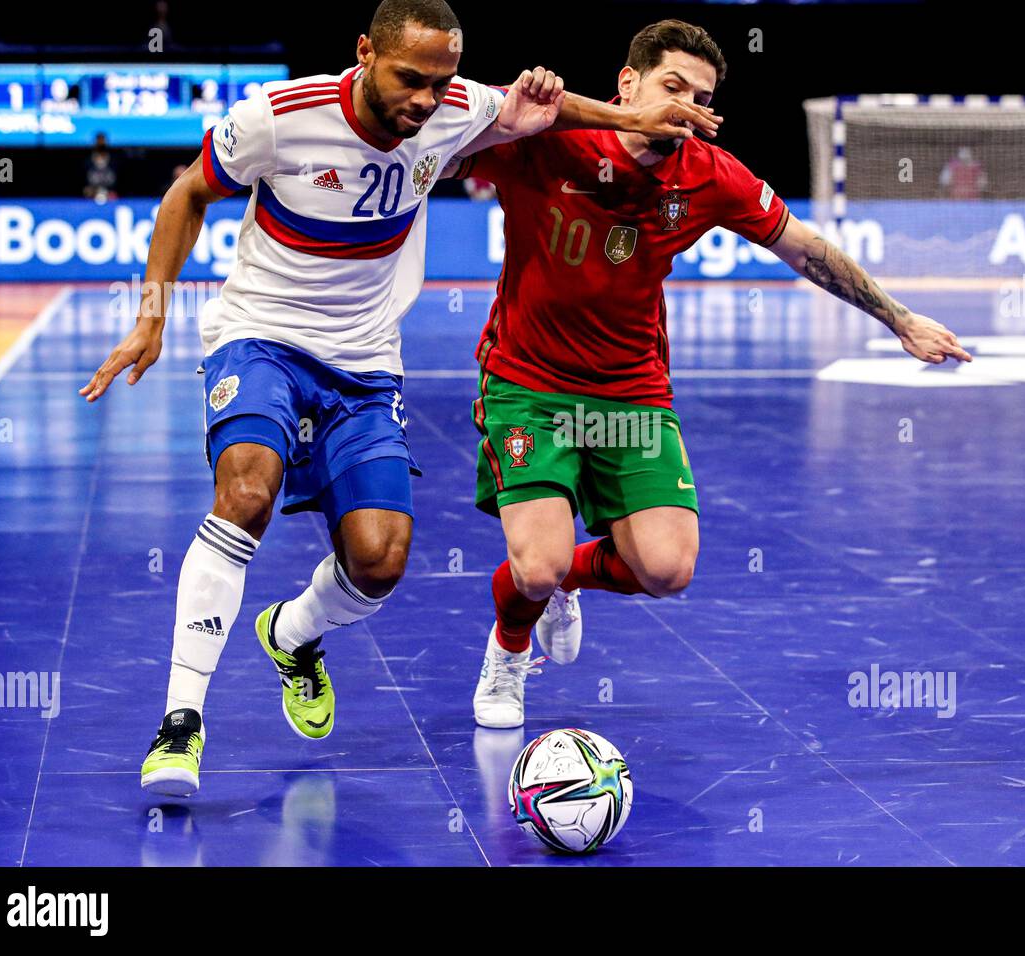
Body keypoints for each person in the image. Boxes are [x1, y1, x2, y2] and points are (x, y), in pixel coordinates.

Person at [79, 0, 720, 797]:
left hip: (365, 363)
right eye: (409, 79)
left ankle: (293, 634)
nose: (424, 99)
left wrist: (637, 111)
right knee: (246, 491)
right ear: (364, 54)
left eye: (441, 82)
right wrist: (151, 318)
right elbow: (187, 195)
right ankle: (180, 726)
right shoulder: (278, 117)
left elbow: (548, 111)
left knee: (378, 562)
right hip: (260, 335)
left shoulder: (454, 110)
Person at [449, 19, 972, 728]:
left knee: (665, 570)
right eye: (673, 87)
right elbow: (433, 140)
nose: (688, 108)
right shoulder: (546, 138)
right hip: (529, 386)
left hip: (630, 392)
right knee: (531, 569)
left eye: (702, 96)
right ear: (627, 82)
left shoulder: (707, 175)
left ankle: (567, 580)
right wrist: (507, 105)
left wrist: (899, 319)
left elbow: (806, 249)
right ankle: (510, 652)